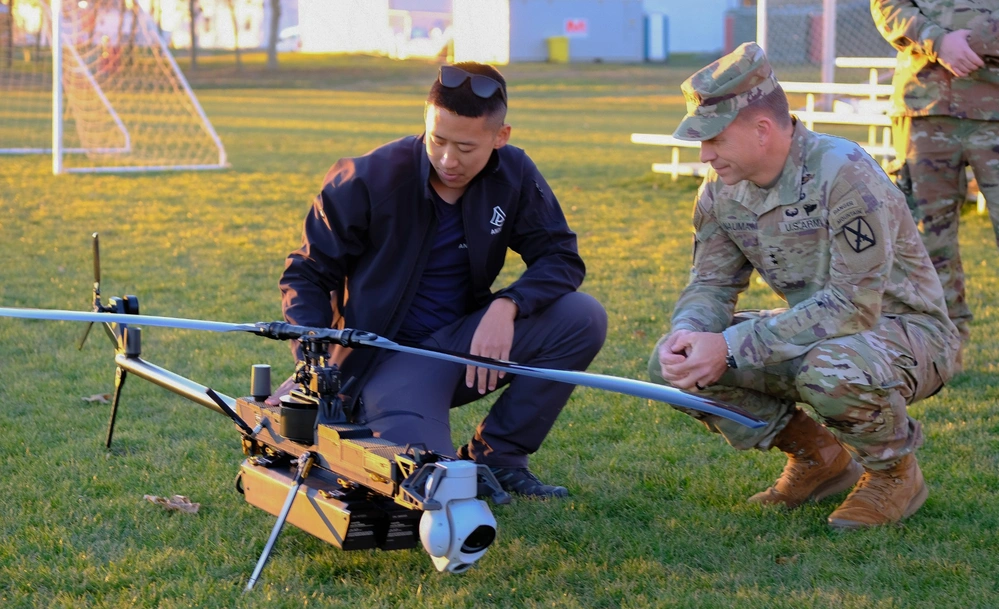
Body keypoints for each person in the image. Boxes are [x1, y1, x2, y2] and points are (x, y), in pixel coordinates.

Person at [647, 43, 961, 529]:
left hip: (907, 332)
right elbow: (711, 283)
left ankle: (895, 475)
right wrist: (691, 333)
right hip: (817, 329)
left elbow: (854, 306)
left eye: (714, 139)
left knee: (828, 368)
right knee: (674, 364)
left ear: (762, 129)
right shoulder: (720, 188)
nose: (704, 154)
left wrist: (729, 347)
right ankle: (820, 459)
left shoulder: (843, 173)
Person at [274, 62, 607, 499]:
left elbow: (560, 257)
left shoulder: (515, 174)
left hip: (465, 347)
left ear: (500, 137)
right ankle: (399, 433)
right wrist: (312, 364)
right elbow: (307, 273)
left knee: (583, 316)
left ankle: (499, 457)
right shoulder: (368, 178)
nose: (449, 160)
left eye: (467, 147)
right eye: (438, 140)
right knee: (431, 486)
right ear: (426, 122)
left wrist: (506, 306)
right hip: (383, 363)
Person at [872, 0, 999, 352]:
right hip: (925, 106)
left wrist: (973, 42)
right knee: (926, 241)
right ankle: (941, 349)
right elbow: (888, 5)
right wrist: (938, 41)